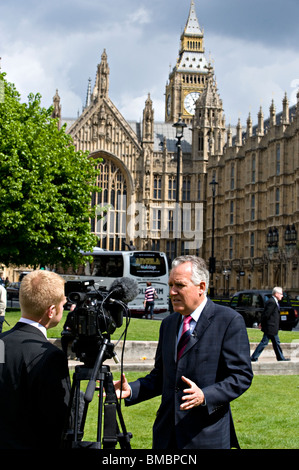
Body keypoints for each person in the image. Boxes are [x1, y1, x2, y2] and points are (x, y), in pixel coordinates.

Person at [114, 255, 253, 449]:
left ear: (201, 287)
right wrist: (132, 390)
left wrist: (205, 396)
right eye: (170, 284)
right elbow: (161, 376)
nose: (172, 292)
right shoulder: (168, 324)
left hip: (205, 435)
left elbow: (241, 376)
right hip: (166, 435)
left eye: (179, 285)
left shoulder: (229, 321)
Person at [0, 270, 71, 449]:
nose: (65, 307)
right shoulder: (49, 356)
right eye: (63, 303)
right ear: (51, 310)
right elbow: (59, 421)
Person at [251, 286, 290, 362]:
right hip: (270, 327)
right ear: (276, 294)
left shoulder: (273, 301)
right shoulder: (272, 302)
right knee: (264, 343)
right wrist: (262, 323)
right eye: (281, 294)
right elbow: (266, 314)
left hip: (272, 327)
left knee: (276, 343)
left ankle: (280, 358)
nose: (282, 296)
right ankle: (253, 357)